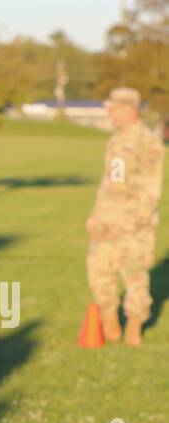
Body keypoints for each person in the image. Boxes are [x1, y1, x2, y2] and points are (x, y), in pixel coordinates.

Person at [86, 87, 164, 346]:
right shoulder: (115, 141)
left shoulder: (148, 142)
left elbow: (152, 189)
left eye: (113, 108)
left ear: (129, 109)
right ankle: (110, 322)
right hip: (107, 221)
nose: (109, 113)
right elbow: (109, 183)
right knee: (99, 270)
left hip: (134, 225)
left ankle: (134, 326)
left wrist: (134, 220)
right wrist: (96, 215)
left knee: (134, 276)